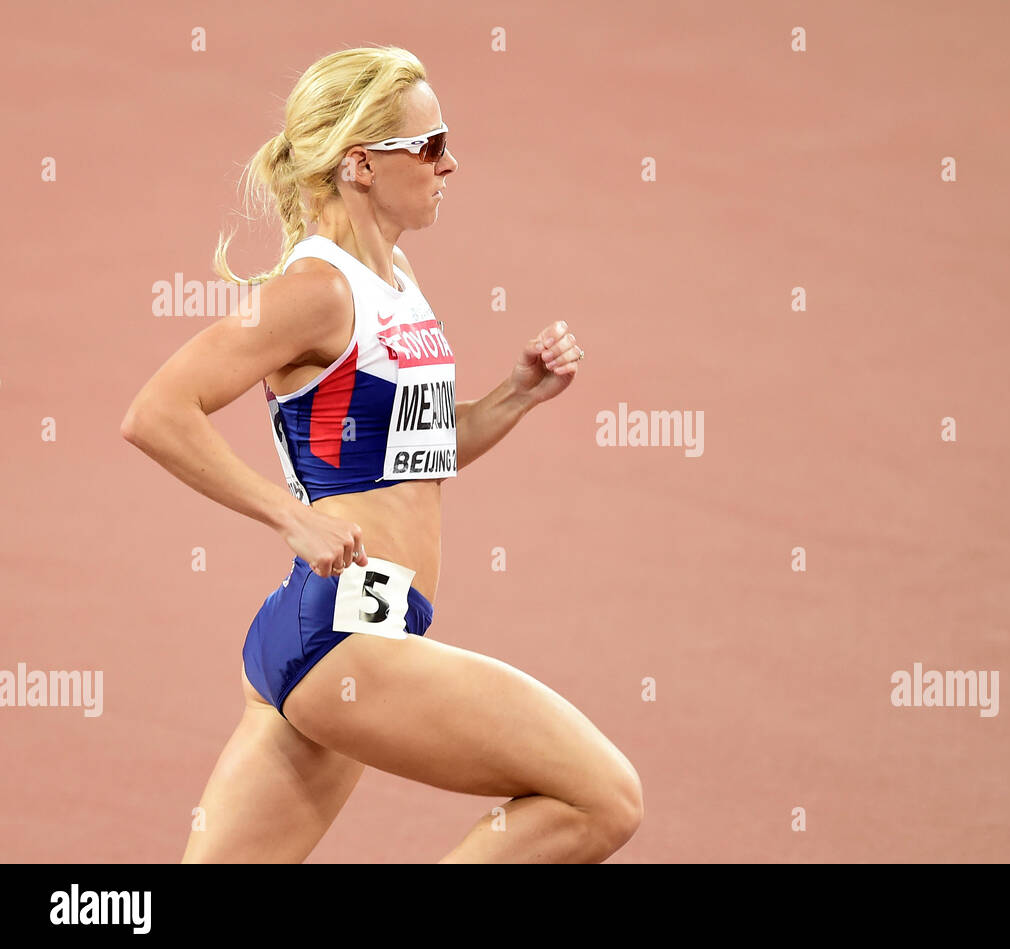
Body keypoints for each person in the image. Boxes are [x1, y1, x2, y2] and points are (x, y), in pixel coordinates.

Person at [120, 46, 643, 863]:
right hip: (346, 633)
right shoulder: (315, 290)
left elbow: (413, 457)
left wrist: (513, 396)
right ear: (361, 164)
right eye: (430, 146)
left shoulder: (392, 275)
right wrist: (291, 518)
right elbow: (157, 411)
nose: (450, 162)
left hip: (344, 631)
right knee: (603, 798)